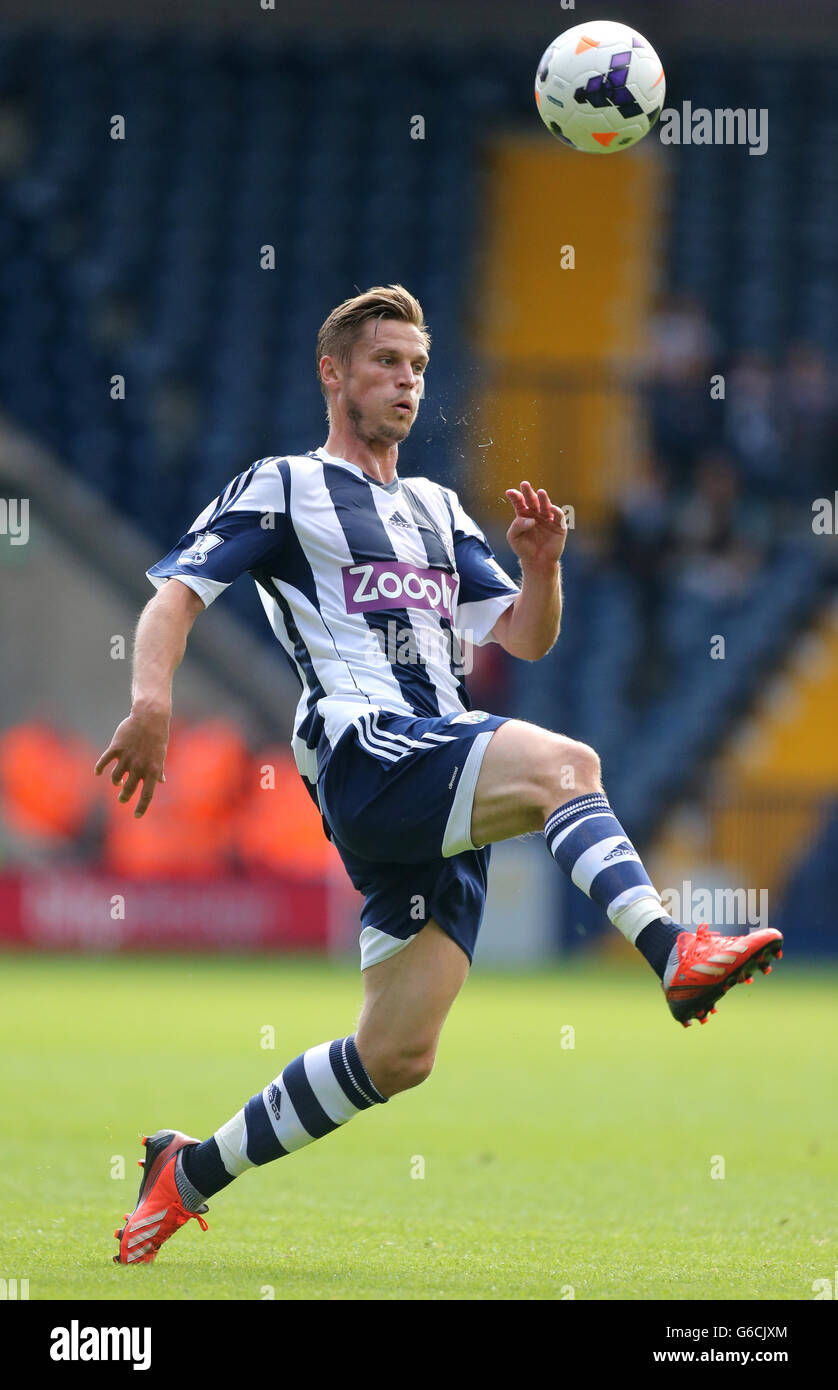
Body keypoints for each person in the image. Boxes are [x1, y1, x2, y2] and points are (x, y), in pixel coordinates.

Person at [97, 285, 782, 1266]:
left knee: (397, 1054)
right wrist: (153, 702)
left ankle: (187, 1171)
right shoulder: (284, 484)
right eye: (384, 363)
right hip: (363, 749)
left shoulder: (432, 509)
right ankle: (674, 952)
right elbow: (174, 597)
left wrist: (540, 568)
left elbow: (527, 640)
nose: (406, 382)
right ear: (333, 373)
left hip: (435, 765)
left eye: (417, 366)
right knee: (567, 765)